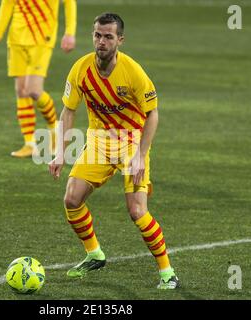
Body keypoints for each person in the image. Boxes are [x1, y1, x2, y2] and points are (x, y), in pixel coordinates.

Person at [48, 13, 179, 289]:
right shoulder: (81, 69)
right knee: (72, 199)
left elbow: (153, 114)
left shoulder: (132, 72)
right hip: (98, 141)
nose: (101, 41)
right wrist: (60, 151)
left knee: (137, 211)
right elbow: (68, 110)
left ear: (120, 39)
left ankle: (167, 272)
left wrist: (141, 155)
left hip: (131, 143)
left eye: (108, 36)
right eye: (97, 35)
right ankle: (94, 254)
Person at [0, 0, 77, 157]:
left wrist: (69, 32)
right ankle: (29, 144)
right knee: (21, 91)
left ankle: (54, 129)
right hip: (16, 39)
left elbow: (69, 2)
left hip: (42, 39)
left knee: (34, 91)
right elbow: (7, 4)